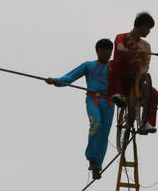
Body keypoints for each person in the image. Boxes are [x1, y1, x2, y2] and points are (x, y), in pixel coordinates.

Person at [46, 39, 114, 179]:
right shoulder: (88, 65)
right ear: (97, 51)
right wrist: (56, 81)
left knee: (104, 133)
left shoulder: (113, 68)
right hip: (93, 99)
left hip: (109, 103)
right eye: (103, 50)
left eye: (108, 50)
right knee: (96, 124)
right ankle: (92, 158)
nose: (106, 53)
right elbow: (71, 76)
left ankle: (97, 165)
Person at [108, 11, 158, 134]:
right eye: (147, 28)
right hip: (120, 78)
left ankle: (145, 122)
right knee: (114, 62)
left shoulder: (146, 46)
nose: (148, 31)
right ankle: (117, 93)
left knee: (153, 93)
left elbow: (145, 65)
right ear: (141, 26)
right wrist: (125, 51)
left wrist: (141, 77)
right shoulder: (122, 37)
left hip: (136, 79)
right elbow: (119, 47)